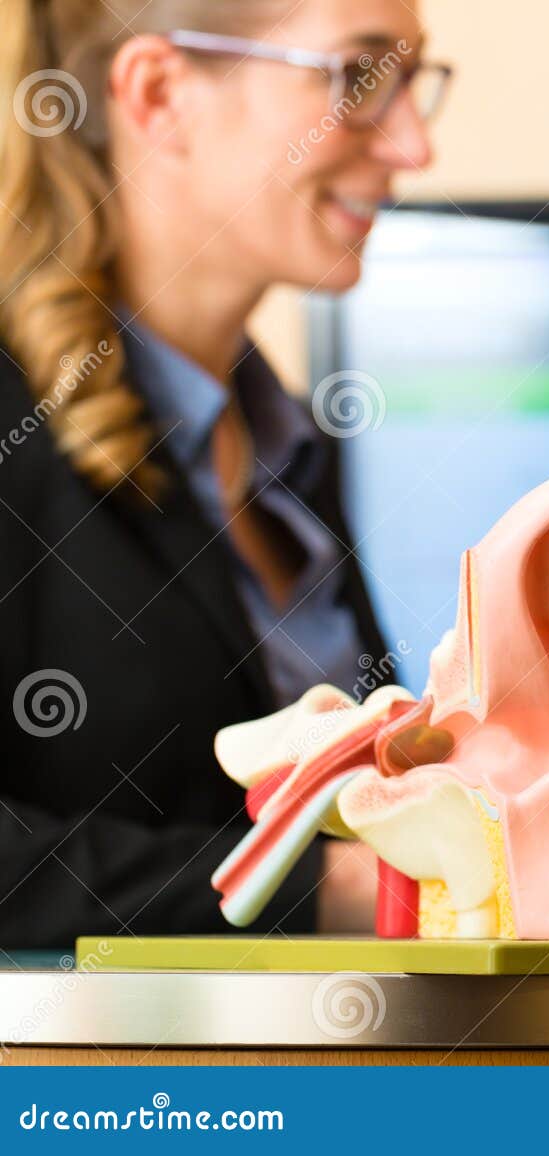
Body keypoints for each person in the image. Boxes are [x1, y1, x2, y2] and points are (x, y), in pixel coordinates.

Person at [0, 0, 449, 946]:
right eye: (360, 78)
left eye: (413, 82)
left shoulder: (279, 442)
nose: (414, 147)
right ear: (160, 94)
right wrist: (329, 888)